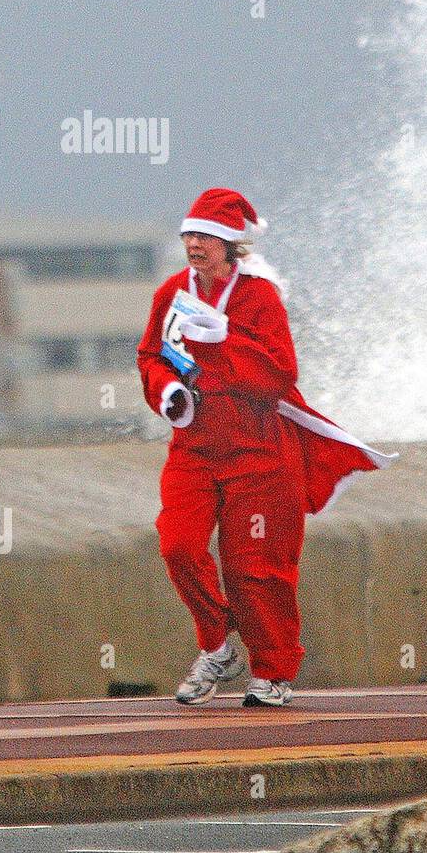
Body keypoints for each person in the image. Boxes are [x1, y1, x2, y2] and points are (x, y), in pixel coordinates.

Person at [138, 188, 396, 706]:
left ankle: (273, 670)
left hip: (260, 456)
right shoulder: (171, 292)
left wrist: (224, 341)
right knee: (177, 545)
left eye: (207, 237)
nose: (195, 245)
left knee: (256, 569)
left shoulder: (260, 297)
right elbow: (151, 356)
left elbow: (281, 375)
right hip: (194, 449)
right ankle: (217, 644)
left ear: (231, 246)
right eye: (190, 234)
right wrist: (166, 391)